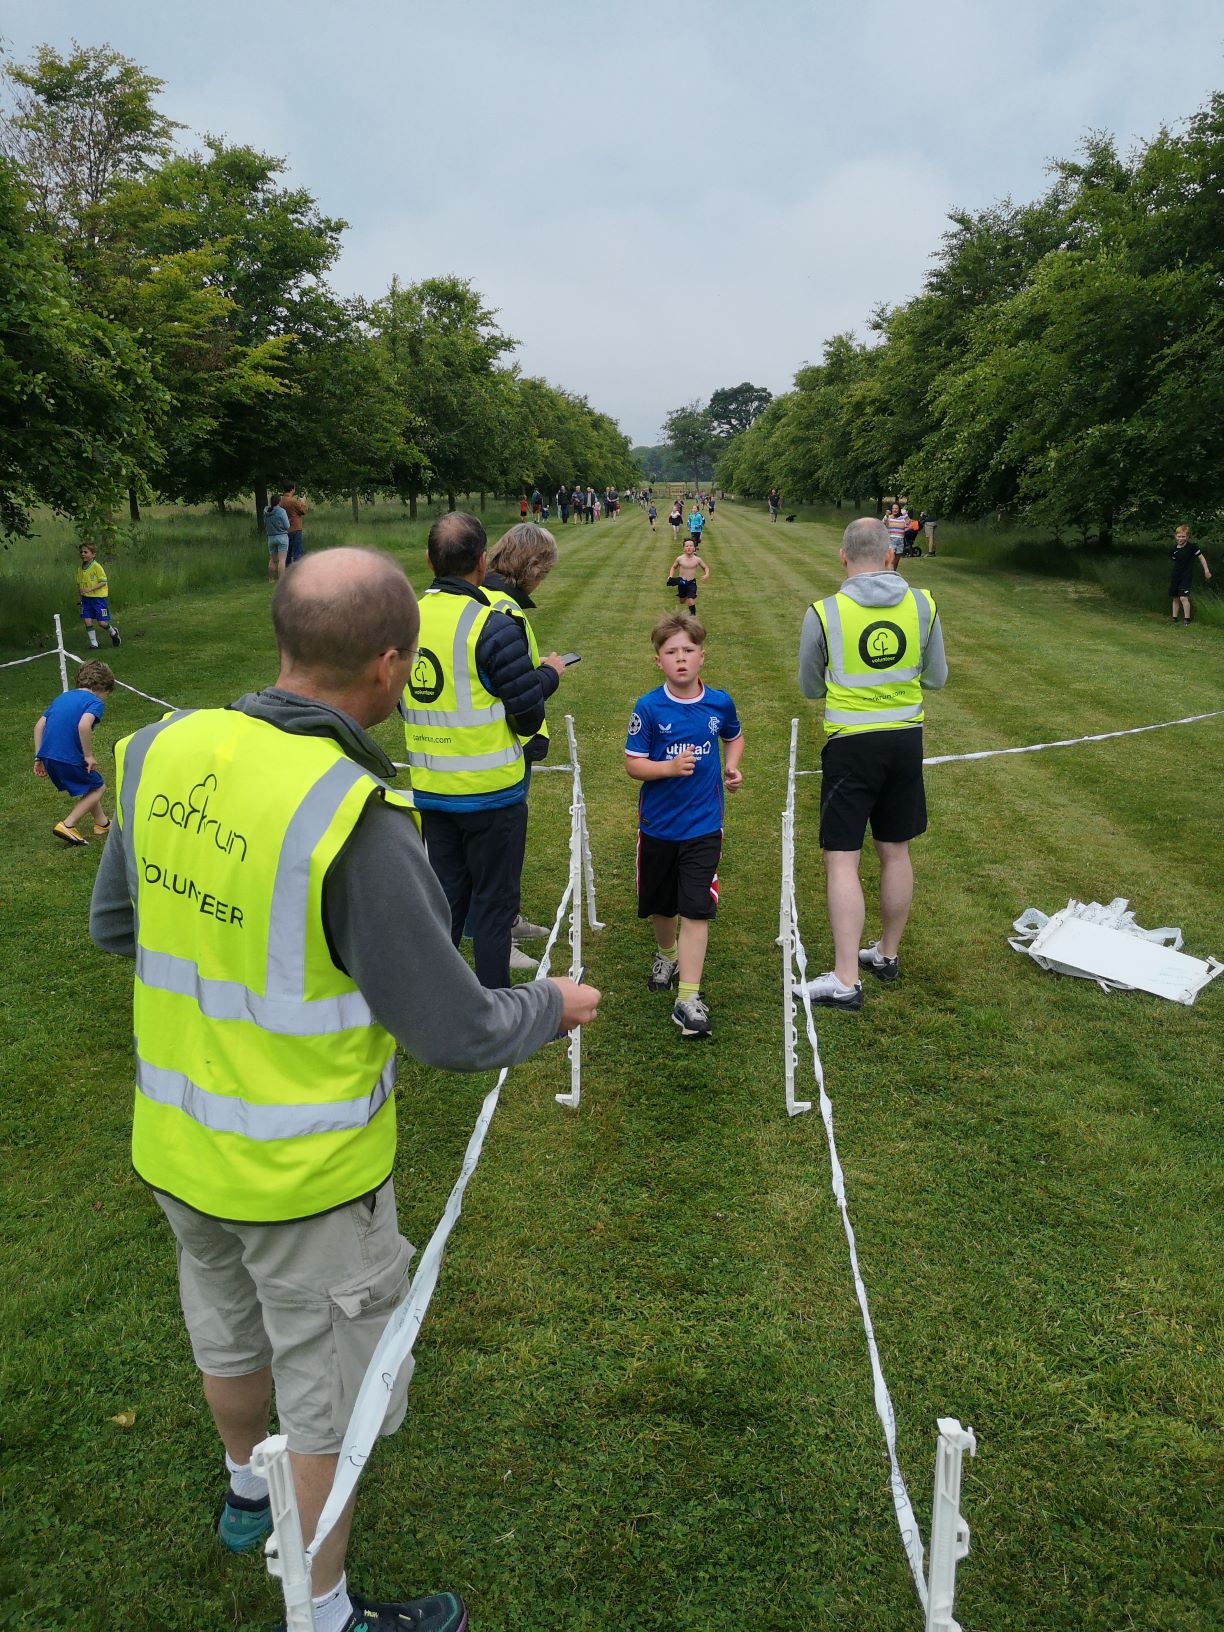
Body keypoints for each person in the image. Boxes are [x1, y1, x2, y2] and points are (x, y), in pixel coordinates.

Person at [88, 547, 601, 1632]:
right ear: (389, 664)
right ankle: (322, 1610)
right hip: (308, 1177)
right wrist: (552, 1004)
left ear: (283, 639)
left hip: (176, 1145)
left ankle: (246, 1489)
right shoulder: (355, 817)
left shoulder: (158, 750)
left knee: (225, 1328)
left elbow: (118, 925)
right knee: (326, 1397)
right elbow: (455, 1029)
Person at [402, 513, 564, 988]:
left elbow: (399, 697)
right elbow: (527, 715)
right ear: (481, 560)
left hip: (432, 789)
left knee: (448, 901)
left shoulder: (405, 620)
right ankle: (494, 1006)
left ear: (429, 560)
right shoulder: (491, 625)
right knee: (494, 906)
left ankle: (437, 997)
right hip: (492, 795)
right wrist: (549, 675)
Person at [797, 516, 947, 1011]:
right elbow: (937, 677)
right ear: (889, 555)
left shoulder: (824, 612)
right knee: (895, 850)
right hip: (905, 740)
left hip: (852, 744)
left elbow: (810, 687)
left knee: (842, 857)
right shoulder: (923, 604)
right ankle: (886, 953)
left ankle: (846, 978)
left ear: (843, 557)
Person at [624, 612, 744, 1040]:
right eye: (671, 652)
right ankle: (667, 953)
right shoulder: (648, 707)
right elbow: (633, 764)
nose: (680, 658)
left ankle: (688, 998)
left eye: (688, 650)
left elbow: (733, 735)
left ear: (701, 657)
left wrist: (731, 766)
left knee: (696, 906)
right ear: (658, 661)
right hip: (658, 826)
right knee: (663, 905)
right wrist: (668, 768)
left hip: (703, 826)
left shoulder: (719, 703)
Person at [483, 522, 568, 969]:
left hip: (487, 746)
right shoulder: (502, 610)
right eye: (544, 572)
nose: (542, 581)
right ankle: (498, 937)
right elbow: (520, 695)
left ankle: (509, 921)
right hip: (499, 749)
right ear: (531, 567)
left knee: (500, 850)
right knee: (498, 851)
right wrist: (551, 672)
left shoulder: (485, 598)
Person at [34, 659, 115, 845]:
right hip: (67, 756)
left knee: (90, 784)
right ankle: (68, 825)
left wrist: (38, 757)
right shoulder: (94, 702)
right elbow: (84, 725)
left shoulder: (62, 698)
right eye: (107, 694)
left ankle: (102, 823)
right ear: (103, 687)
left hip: (49, 755)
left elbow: (39, 726)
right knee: (99, 788)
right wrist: (88, 755)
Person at [75, 542, 122, 648]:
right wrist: (80, 597)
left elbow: (103, 582)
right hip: (86, 600)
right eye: (81, 552)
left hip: (98, 599)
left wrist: (90, 589)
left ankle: (113, 632)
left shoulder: (96, 566)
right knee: (87, 620)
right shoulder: (80, 569)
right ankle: (94, 643)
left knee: (101, 623)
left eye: (86, 552)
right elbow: (79, 585)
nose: (83, 554)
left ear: (93, 554)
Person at [1169, 524, 1212, 624]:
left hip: (1186, 576)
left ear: (1187, 536)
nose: (1181, 538)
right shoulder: (1174, 549)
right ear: (1176, 536)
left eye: (1183, 536)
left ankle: (1187, 619)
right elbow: (1175, 561)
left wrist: (1206, 570)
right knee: (1175, 597)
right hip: (1176, 576)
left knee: (1183, 597)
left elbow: (1201, 558)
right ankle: (1174, 618)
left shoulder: (1192, 547)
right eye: (1179, 536)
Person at [667, 538, 710, 613]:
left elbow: (705, 567)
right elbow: (673, 567)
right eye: (687, 546)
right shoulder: (680, 559)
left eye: (691, 546)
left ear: (694, 548)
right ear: (683, 549)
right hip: (682, 582)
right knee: (682, 601)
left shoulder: (697, 559)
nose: (689, 547)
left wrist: (707, 574)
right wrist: (670, 576)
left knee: (690, 600)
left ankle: (693, 617)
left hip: (691, 583)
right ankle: (685, 595)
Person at [279, 482, 307, 566]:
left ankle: (287, 570)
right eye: (294, 488)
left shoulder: (280, 501)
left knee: (287, 554)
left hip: (284, 529)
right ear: (292, 489)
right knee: (297, 553)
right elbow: (303, 511)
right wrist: (303, 502)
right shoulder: (293, 501)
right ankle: (297, 571)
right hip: (295, 529)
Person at [264, 499, 291, 582]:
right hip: (282, 537)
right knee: (282, 560)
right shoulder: (281, 511)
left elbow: (265, 524)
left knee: (273, 560)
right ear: (279, 502)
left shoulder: (266, 511)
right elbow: (287, 526)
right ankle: (281, 580)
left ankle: (270, 579)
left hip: (271, 537)